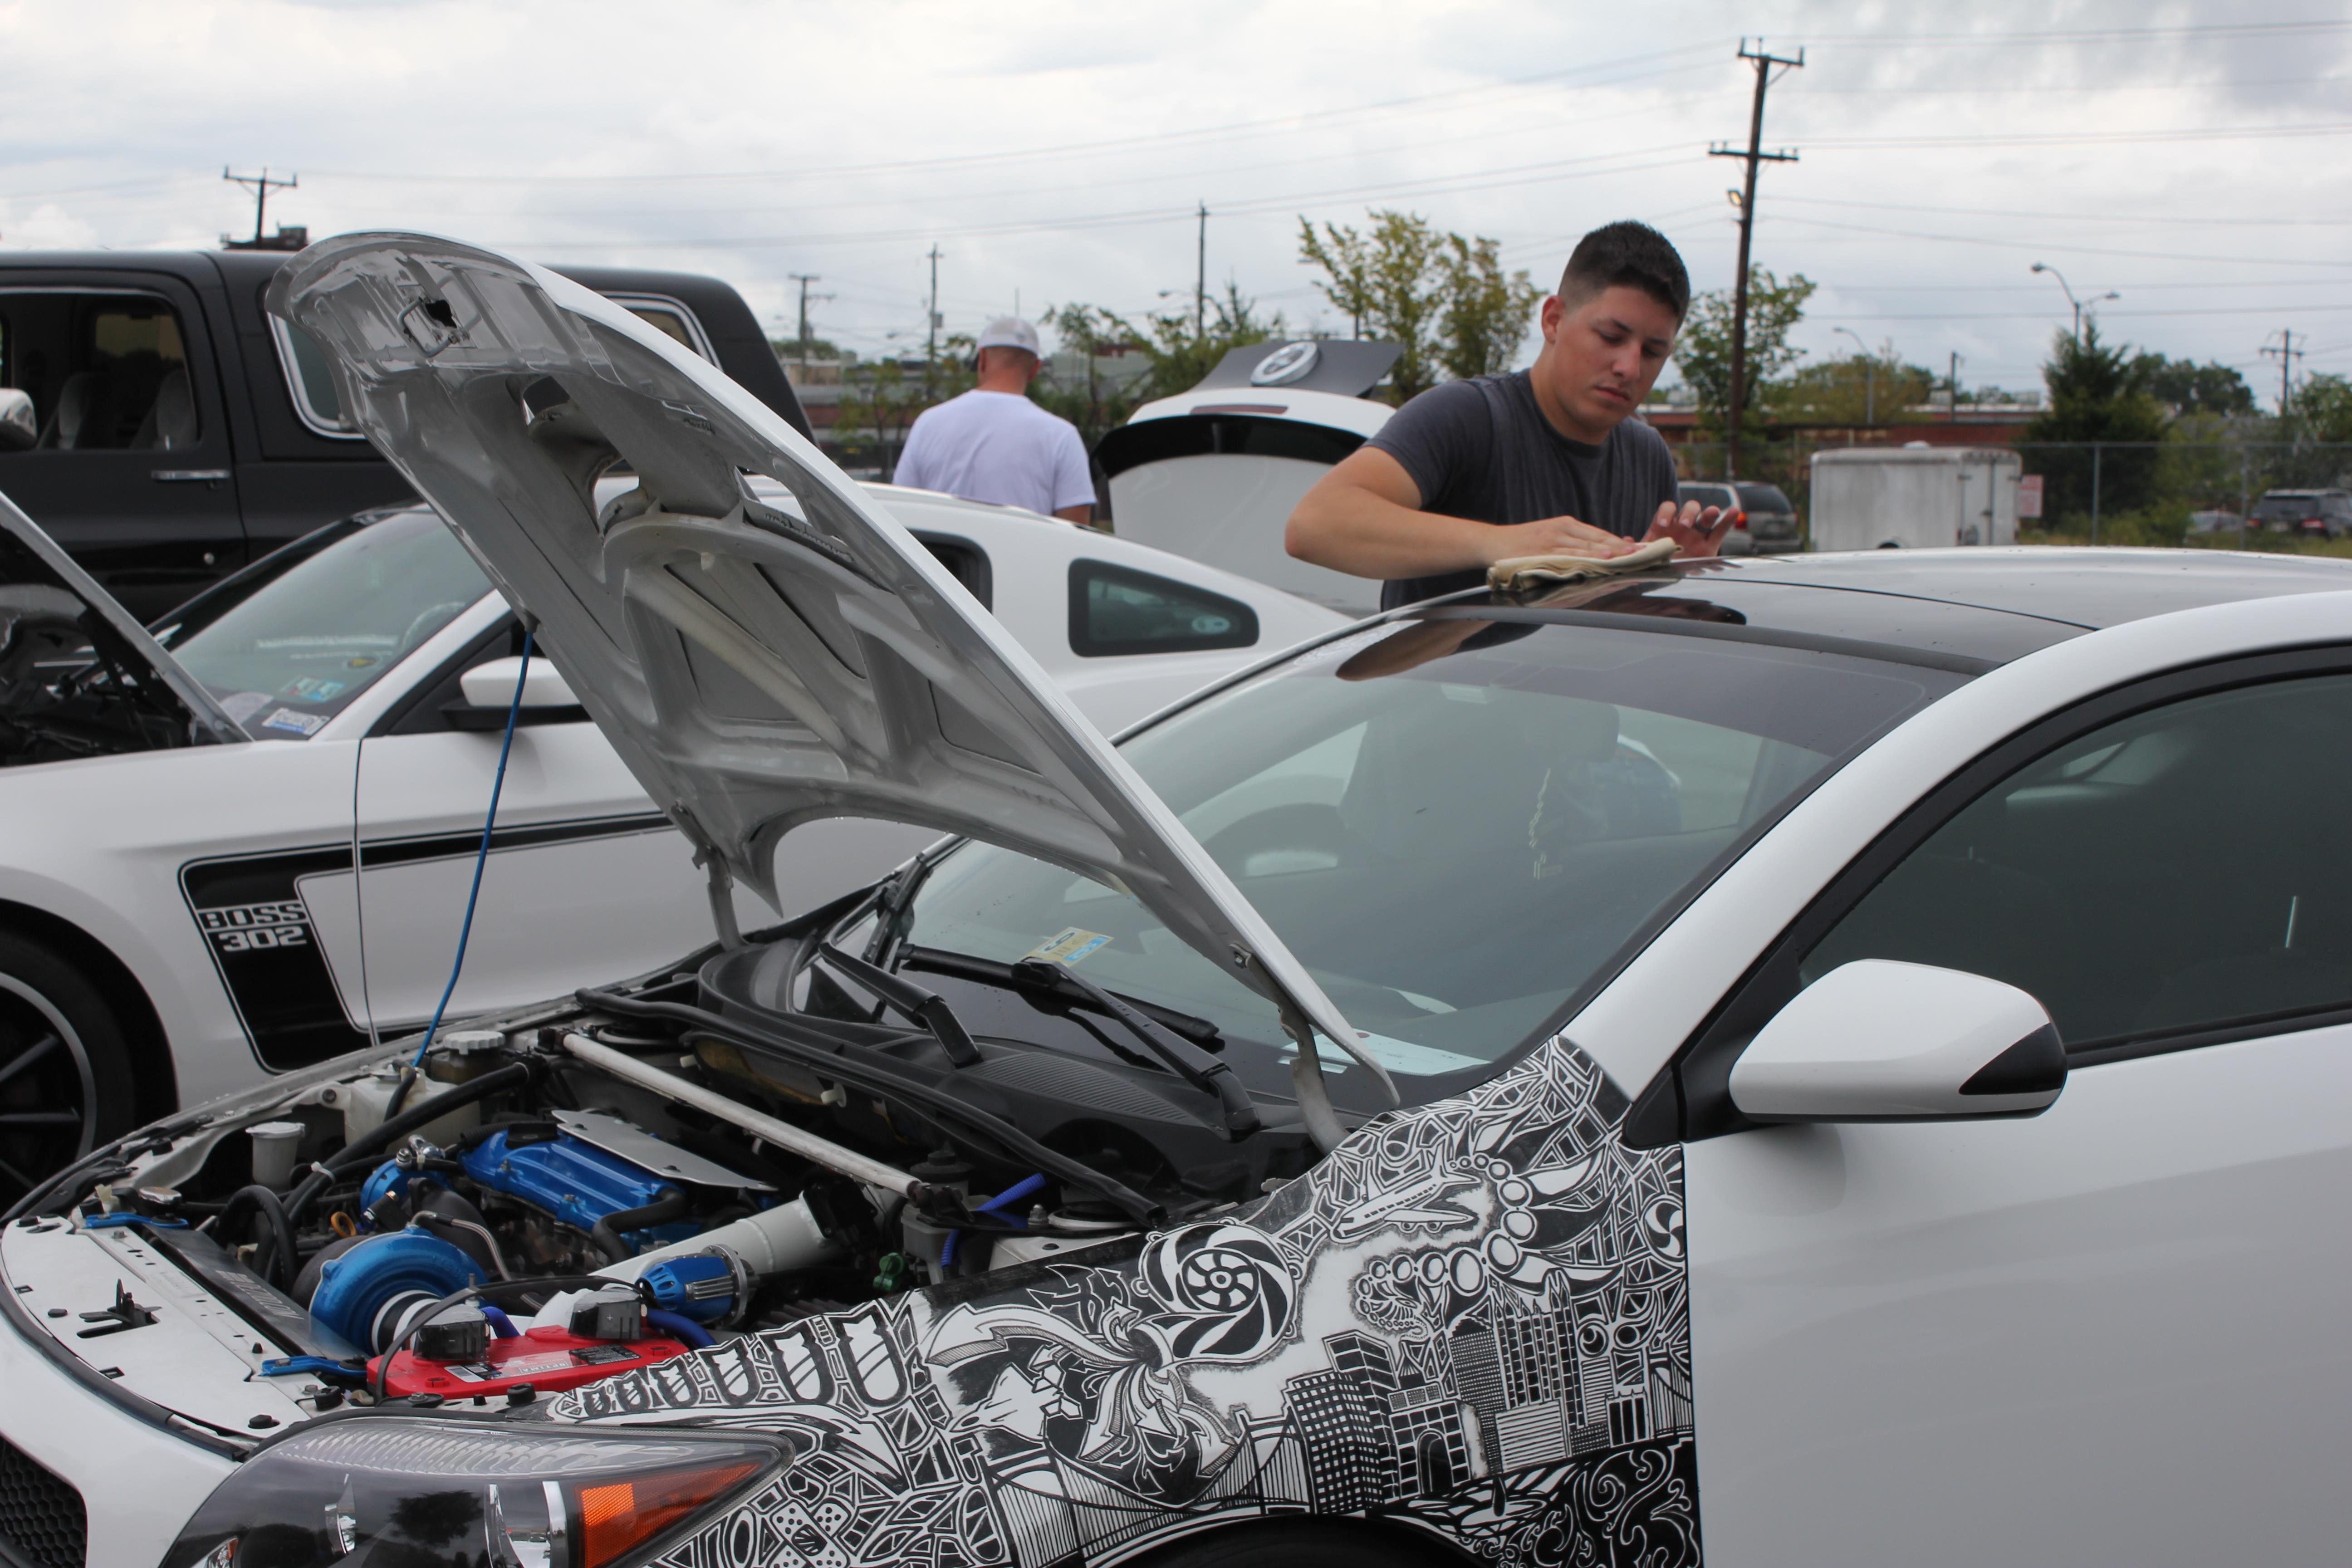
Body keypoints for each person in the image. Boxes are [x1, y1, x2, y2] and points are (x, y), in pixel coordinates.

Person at [1285, 220, 1728, 609]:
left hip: (1581, 706)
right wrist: (1507, 544)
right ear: (1553, 320)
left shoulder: (1647, 454)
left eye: (1654, 351)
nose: (1630, 367)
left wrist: (1653, 578)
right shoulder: (1469, 417)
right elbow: (1315, 525)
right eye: (1612, 336)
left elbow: (1600, 642)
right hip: (1441, 701)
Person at [893, 317, 1096, 524]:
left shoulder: (928, 424)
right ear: (1035, 369)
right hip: (1027, 557)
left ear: (982, 359)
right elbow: (1078, 531)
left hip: (936, 558)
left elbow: (900, 512)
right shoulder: (1062, 437)